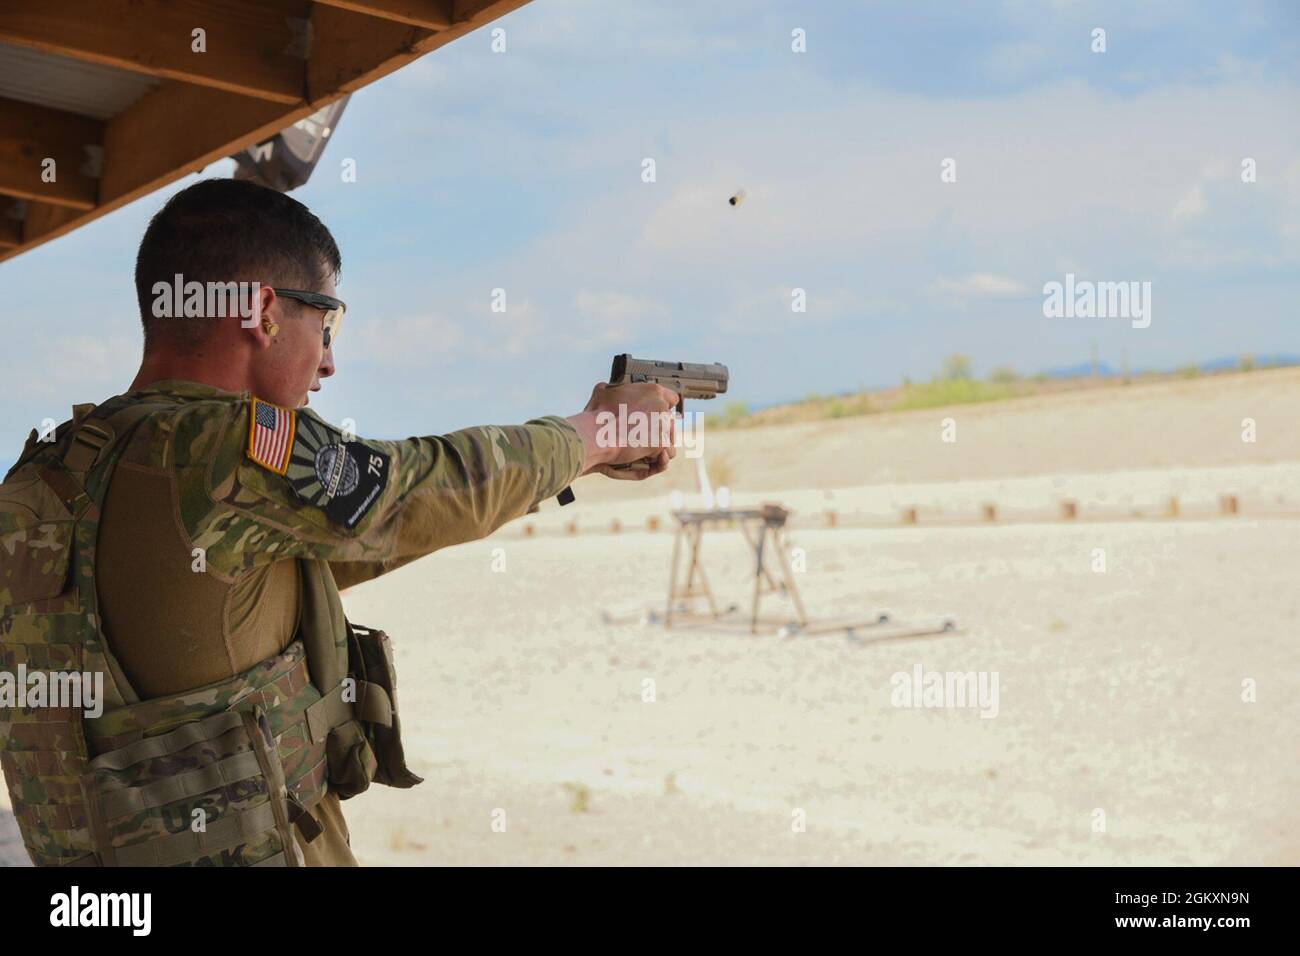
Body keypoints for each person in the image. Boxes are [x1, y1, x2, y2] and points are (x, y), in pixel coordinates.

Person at [0, 178, 677, 866]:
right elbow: (421, 486)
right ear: (263, 311)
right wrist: (600, 432)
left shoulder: (51, 469)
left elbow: (372, 532)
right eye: (326, 322)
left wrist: (571, 468)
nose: (328, 359)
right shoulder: (222, 448)